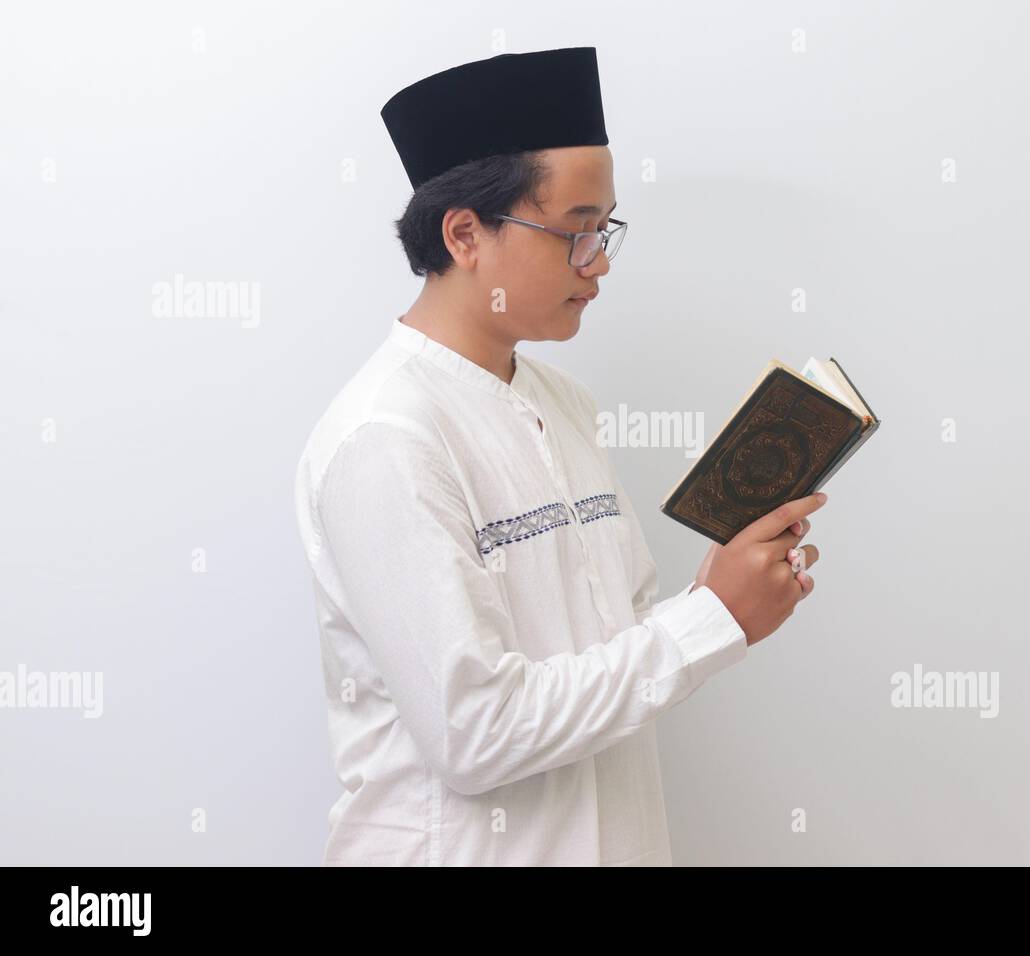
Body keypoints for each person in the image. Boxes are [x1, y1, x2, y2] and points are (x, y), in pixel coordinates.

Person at [292, 46, 824, 866]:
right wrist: (710, 620)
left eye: (605, 229)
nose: (599, 262)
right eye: (575, 232)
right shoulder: (386, 437)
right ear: (465, 234)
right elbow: (473, 733)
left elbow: (616, 647)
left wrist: (725, 589)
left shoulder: (563, 405)